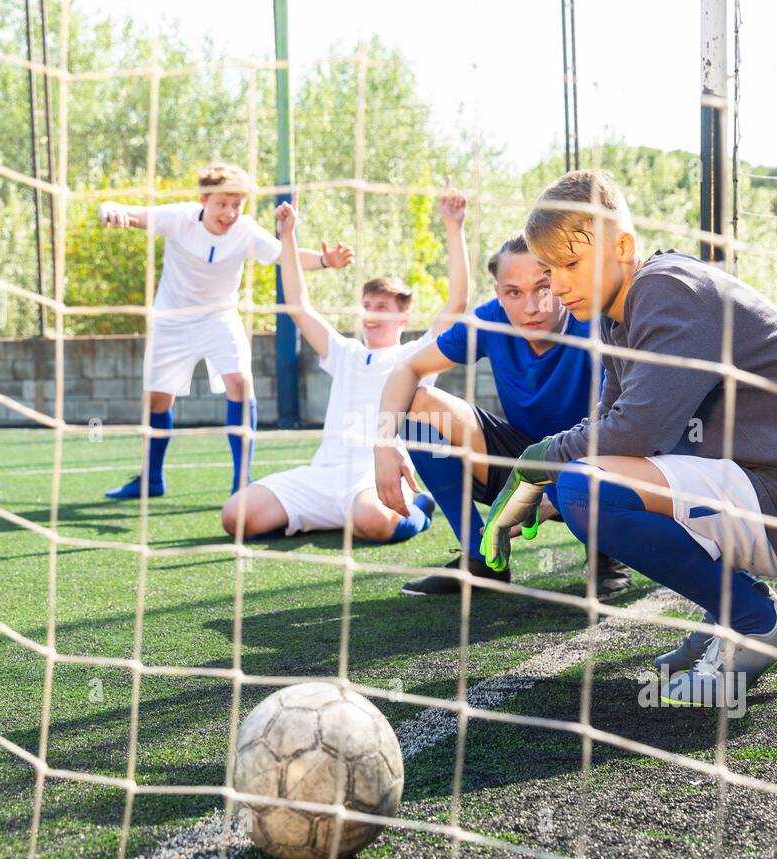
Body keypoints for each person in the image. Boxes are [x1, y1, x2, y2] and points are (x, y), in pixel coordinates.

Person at [481, 169, 777, 707]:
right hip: (745, 493)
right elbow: (611, 425)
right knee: (571, 484)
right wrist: (545, 474)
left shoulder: (669, 291)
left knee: (583, 484)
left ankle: (753, 621)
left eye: (570, 265)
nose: (556, 286)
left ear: (623, 246)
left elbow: (638, 431)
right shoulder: (616, 315)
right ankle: (730, 610)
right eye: (550, 269)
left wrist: (540, 460)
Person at [374, 232, 633, 598]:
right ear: (498, 294)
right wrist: (383, 445)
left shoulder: (595, 319)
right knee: (422, 407)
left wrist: (556, 494)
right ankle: (481, 557)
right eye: (514, 292)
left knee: (615, 440)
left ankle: (607, 554)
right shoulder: (489, 320)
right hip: (523, 466)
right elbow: (407, 369)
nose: (531, 306)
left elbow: (625, 422)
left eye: (542, 287)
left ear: (560, 280)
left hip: (593, 462)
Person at [219, 180, 468, 542]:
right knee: (237, 515)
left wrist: (453, 226)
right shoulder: (345, 352)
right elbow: (298, 307)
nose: (370, 314)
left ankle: (419, 507)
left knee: (370, 521)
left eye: (381, 307)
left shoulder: (415, 356)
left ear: (403, 316)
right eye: (366, 306)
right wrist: (287, 236)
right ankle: (330, 515)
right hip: (325, 474)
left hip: (373, 476)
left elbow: (456, 304)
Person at [96, 162, 353, 500]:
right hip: (172, 320)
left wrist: (324, 261)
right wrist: (110, 209)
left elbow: (283, 255)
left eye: (237, 205)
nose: (230, 213)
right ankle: (152, 480)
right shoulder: (180, 218)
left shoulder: (245, 231)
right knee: (157, 400)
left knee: (240, 382)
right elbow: (124, 211)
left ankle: (241, 485)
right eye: (222, 204)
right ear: (204, 200)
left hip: (219, 317)